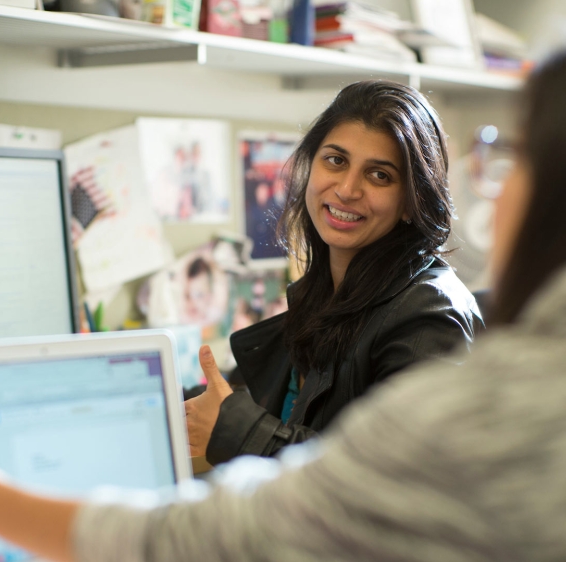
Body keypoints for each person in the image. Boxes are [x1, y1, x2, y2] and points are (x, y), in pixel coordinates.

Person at [0, 20, 566, 560]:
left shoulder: (510, 388)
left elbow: (250, 537)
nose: (347, 189)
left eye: (521, 157)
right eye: (334, 162)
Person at [185, 80, 482, 465]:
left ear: (412, 201)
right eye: (336, 160)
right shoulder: (325, 297)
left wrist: (236, 432)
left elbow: (393, 474)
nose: (346, 189)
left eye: (379, 175)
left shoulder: (428, 314)